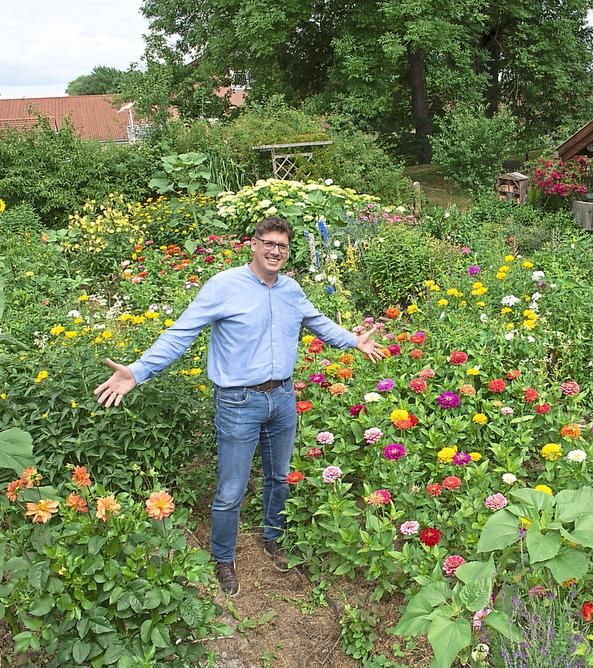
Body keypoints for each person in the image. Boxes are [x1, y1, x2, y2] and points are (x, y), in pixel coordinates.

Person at [94, 216, 384, 596]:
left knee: (279, 477)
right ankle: (224, 558)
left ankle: (273, 536)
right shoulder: (224, 286)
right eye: (269, 243)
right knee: (232, 489)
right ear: (254, 243)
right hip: (238, 401)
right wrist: (137, 371)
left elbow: (318, 323)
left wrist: (353, 341)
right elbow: (181, 333)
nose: (275, 251)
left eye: (282, 245)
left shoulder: (291, 290)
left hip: (281, 397)